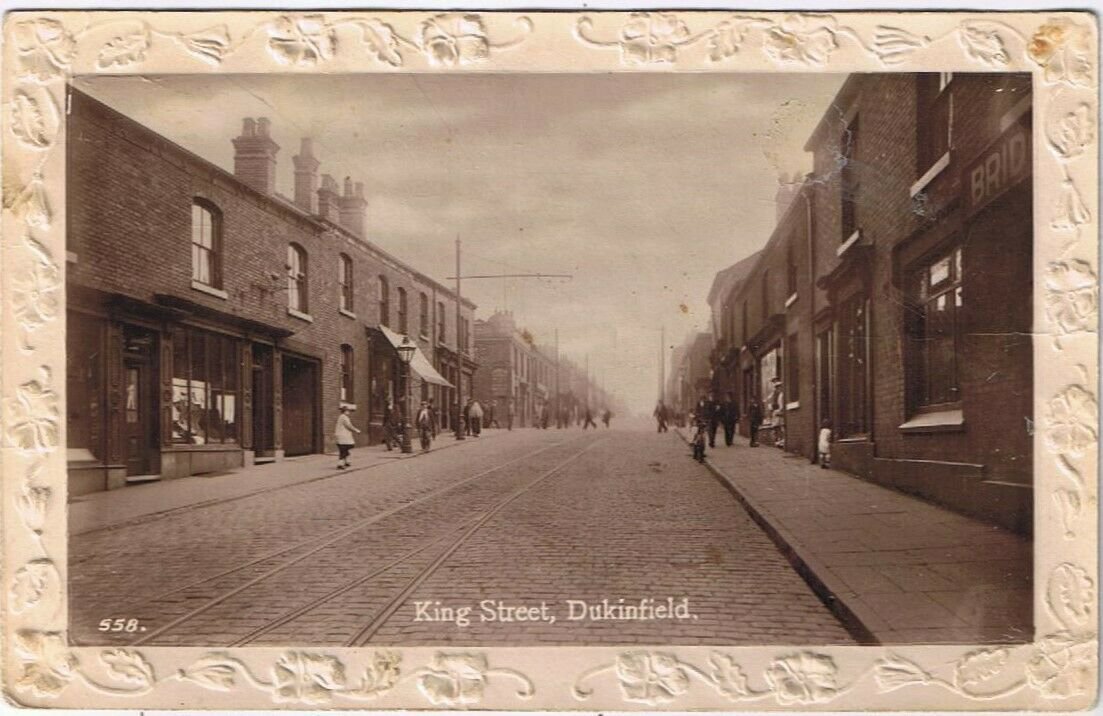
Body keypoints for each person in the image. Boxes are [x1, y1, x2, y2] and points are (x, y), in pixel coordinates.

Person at [334, 404, 361, 469]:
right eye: (347, 411)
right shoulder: (344, 417)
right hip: (343, 437)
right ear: (345, 411)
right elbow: (348, 426)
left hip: (342, 436)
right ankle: (340, 464)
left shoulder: (341, 417)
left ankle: (346, 461)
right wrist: (356, 430)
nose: (349, 412)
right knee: (345, 448)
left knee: (344, 449)